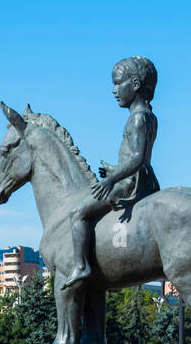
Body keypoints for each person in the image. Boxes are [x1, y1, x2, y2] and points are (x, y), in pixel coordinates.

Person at [63, 56, 162, 289]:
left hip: (130, 184)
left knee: (78, 212)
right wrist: (114, 168)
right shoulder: (147, 115)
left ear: (135, 84)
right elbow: (140, 158)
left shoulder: (138, 118)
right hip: (141, 179)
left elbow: (138, 158)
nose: (114, 90)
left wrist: (112, 179)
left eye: (118, 83)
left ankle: (81, 265)